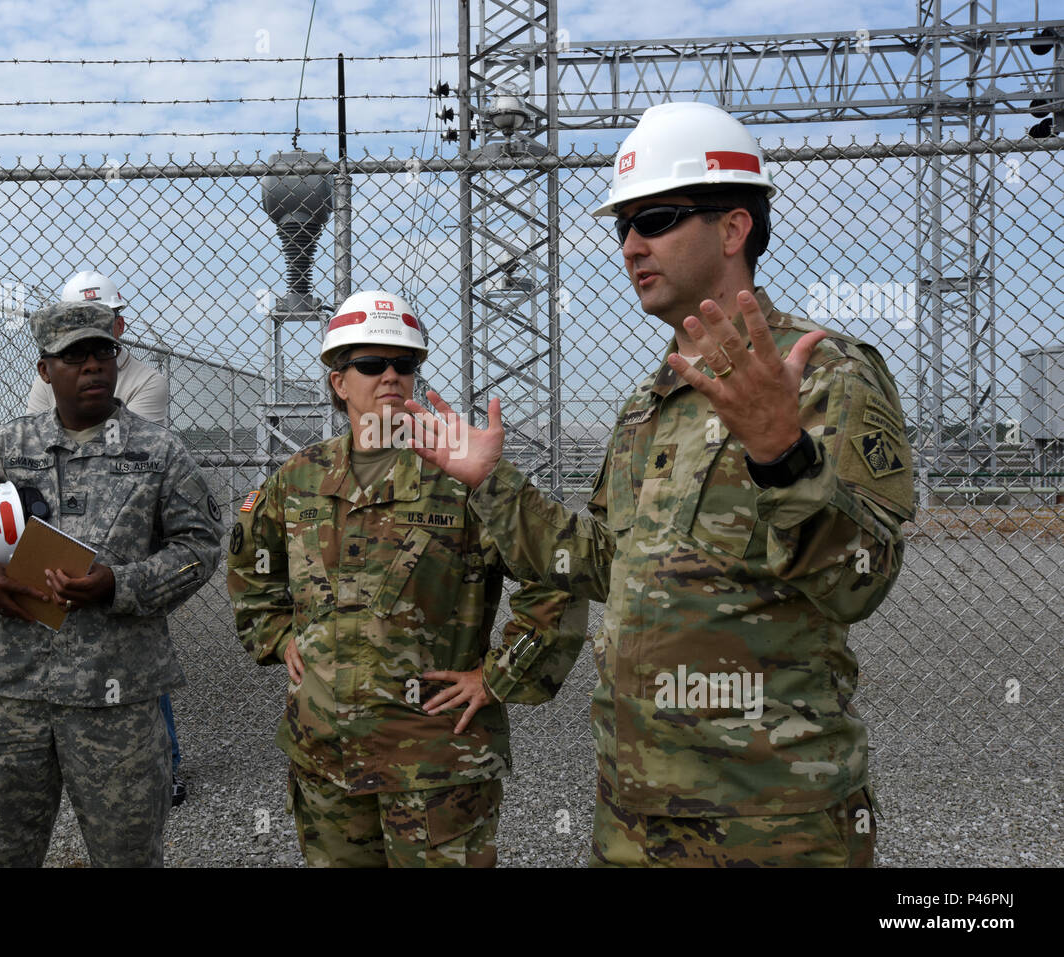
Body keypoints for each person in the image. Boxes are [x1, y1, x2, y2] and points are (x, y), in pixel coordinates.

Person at [404, 101, 915, 867]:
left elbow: (860, 583)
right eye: (623, 227)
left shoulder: (824, 372)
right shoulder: (649, 405)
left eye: (658, 218)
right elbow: (606, 562)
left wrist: (784, 452)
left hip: (771, 819)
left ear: (734, 228)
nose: (631, 245)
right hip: (635, 815)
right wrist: (493, 485)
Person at [227, 290, 588, 868]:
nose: (391, 376)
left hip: (436, 763)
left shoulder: (462, 472)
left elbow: (557, 574)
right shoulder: (299, 478)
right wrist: (276, 634)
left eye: (405, 365)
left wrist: (499, 675)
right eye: (371, 364)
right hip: (325, 753)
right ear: (339, 381)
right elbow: (252, 563)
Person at [0, 300, 223, 867]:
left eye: (103, 352)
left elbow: (200, 548)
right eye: (74, 356)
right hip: (15, 692)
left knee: (128, 856)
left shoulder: (161, 454)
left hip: (116, 696)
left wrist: (120, 583)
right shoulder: (5, 447)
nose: (92, 366)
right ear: (46, 369)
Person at [27, 269, 187, 808]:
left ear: (120, 324)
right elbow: (37, 459)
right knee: (45, 641)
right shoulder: (44, 378)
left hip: (124, 534)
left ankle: (165, 764)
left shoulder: (145, 380)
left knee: (132, 653)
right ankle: (42, 764)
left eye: (107, 327)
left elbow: (123, 458)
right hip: (57, 530)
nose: (94, 353)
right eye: (77, 344)